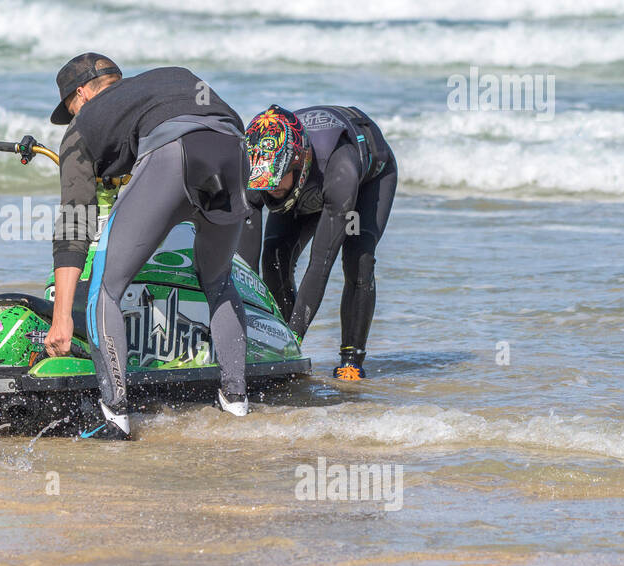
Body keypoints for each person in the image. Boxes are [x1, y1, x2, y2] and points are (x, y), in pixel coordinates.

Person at [43, 54, 252, 439]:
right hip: (234, 148)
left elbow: (75, 221)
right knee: (218, 280)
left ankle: (115, 419)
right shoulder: (167, 79)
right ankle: (236, 405)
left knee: (105, 288)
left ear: (82, 95)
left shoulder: (82, 125)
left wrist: (61, 318)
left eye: (70, 108)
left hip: (172, 152)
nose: (73, 117)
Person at [238, 104, 398, 380]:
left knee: (358, 261)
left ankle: (351, 360)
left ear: (298, 164)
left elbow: (320, 265)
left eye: (275, 182)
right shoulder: (260, 170)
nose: (269, 190)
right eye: (263, 183)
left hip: (368, 178)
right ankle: (282, 343)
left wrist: (290, 343)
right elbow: (245, 266)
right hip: (305, 183)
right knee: (273, 260)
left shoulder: (340, 173)